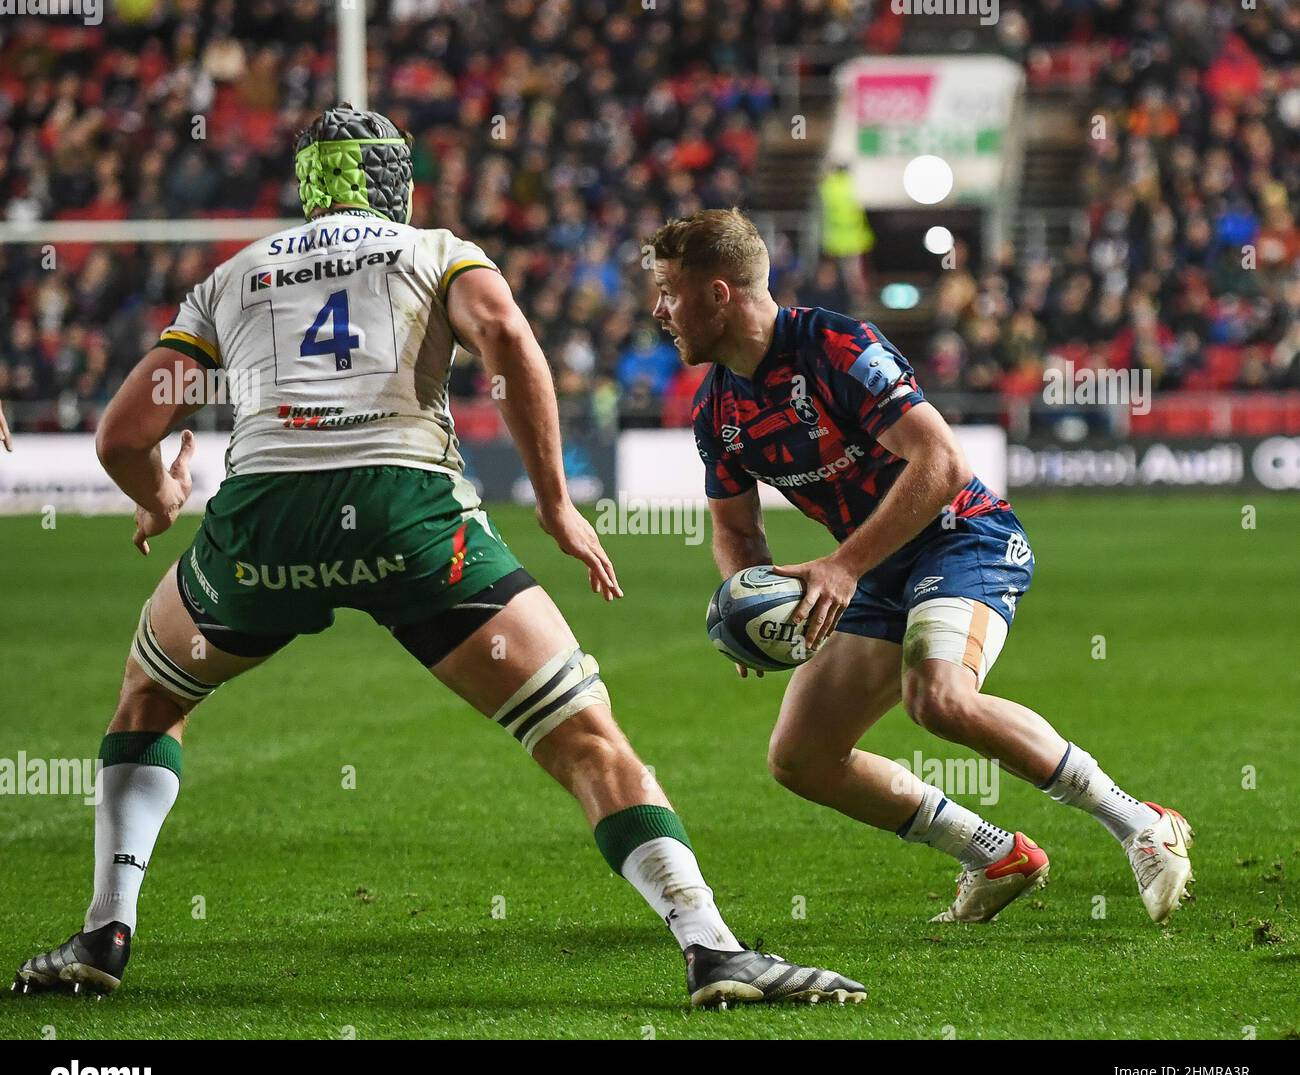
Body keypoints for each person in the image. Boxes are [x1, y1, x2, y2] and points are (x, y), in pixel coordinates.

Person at [11, 109, 865, 1010]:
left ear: (307, 186)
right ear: (398, 183)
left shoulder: (233, 276)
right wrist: (555, 504)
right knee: (581, 736)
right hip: (409, 519)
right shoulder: (436, 253)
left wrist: (158, 495)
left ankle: (105, 931)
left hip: (263, 528)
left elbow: (123, 434)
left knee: (150, 698)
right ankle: (711, 948)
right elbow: (509, 342)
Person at [651, 208, 1194, 926]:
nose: (659, 311)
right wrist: (747, 603)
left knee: (937, 698)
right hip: (875, 568)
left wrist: (843, 566)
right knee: (800, 757)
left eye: (669, 291)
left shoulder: (837, 347)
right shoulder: (717, 410)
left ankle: (1141, 823)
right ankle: (993, 854)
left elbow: (940, 461)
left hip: (961, 537)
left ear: (719, 293)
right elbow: (735, 527)